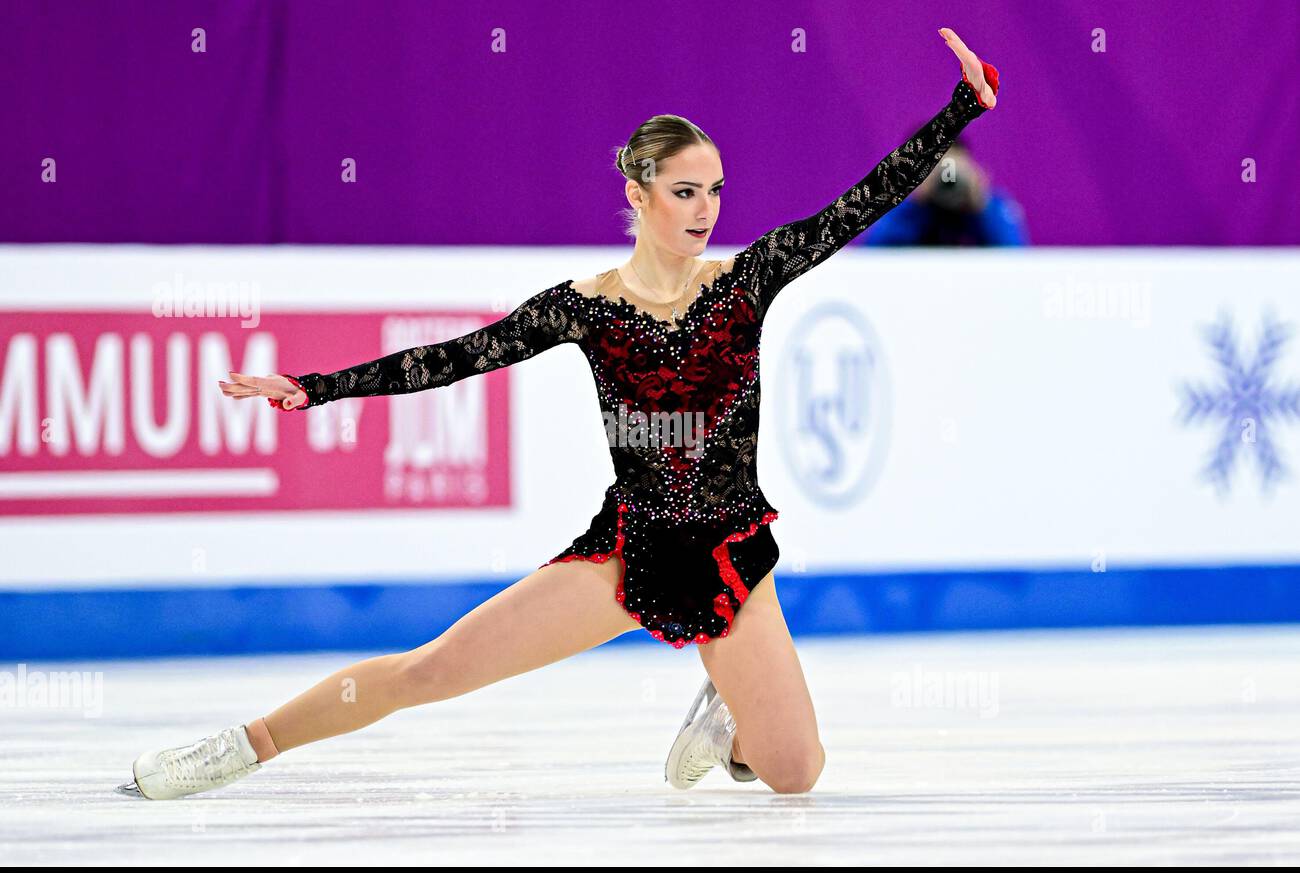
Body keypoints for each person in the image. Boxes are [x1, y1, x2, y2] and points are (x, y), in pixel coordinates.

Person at [117, 28, 998, 800]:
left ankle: (722, 709)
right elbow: (449, 360)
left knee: (796, 773)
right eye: (686, 192)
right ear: (640, 192)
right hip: (630, 552)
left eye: (717, 192)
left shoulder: (748, 280)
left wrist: (959, 107)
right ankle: (245, 745)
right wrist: (317, 386)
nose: (706, 211)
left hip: (730, 555)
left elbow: (865, 199)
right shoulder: (583, 307)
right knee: (432, 670)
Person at [865, 137, 1027, 246]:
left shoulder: (989, 206)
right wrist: (914, 198)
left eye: (954, 166)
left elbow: (1015, 259)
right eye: (935, 167)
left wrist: (982, 203)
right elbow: (874, 255)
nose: (948, 175)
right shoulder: (902, 208)